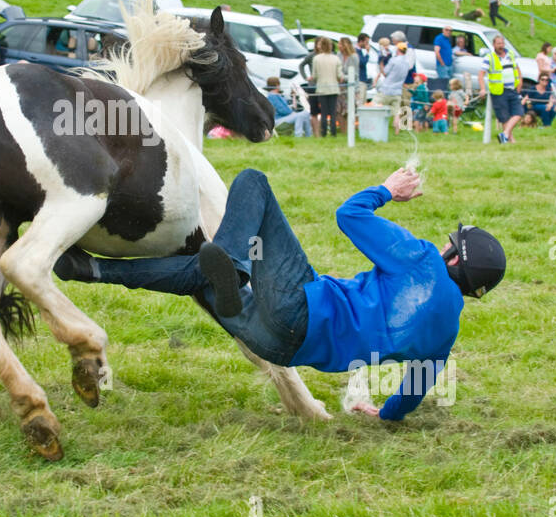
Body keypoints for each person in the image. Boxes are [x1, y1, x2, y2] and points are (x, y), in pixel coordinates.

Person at [55, 167, 505, 421]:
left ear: (453, 260)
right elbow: (411, 394)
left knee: (253, 182)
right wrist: (382, 415)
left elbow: (349, 214)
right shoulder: (446, 336)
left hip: (300, 305)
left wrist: (387, 190)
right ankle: (91, 268)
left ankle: (230, 265)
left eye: (451, 244)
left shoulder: (423, 260)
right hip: (280, 347)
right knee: (200, 275)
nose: (444, 243)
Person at [480, 34, 523, 143]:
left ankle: (504, 134)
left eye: (502, 43)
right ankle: (510, 140)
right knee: (504, 117)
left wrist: (520, 82)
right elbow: (481, 74)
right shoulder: (489, 58)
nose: (501, 46)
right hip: (499, 90)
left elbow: (517, 69)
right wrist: (482, 89)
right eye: (499, 43)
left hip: (512, 88)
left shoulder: (511, 55)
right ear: (494, 44)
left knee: (519, 113)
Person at [377, 38, 413, 134]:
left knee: (375, 107)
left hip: (386, 89)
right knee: (396, 114)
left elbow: (385, 72)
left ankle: (376, 129)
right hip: (397, 91)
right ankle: (397, 131)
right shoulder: (406, 63)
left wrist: (381, 64)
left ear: (398, 50)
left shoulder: (394, 60)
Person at [310, 37, 342, 138]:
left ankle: (323, 133)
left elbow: (314, 76)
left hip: (321, 88)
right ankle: (333, 133)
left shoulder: (316, 59)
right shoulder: (336, 58)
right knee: (333, 112)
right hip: (333, 88)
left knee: (323, 112)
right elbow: (339, 76)